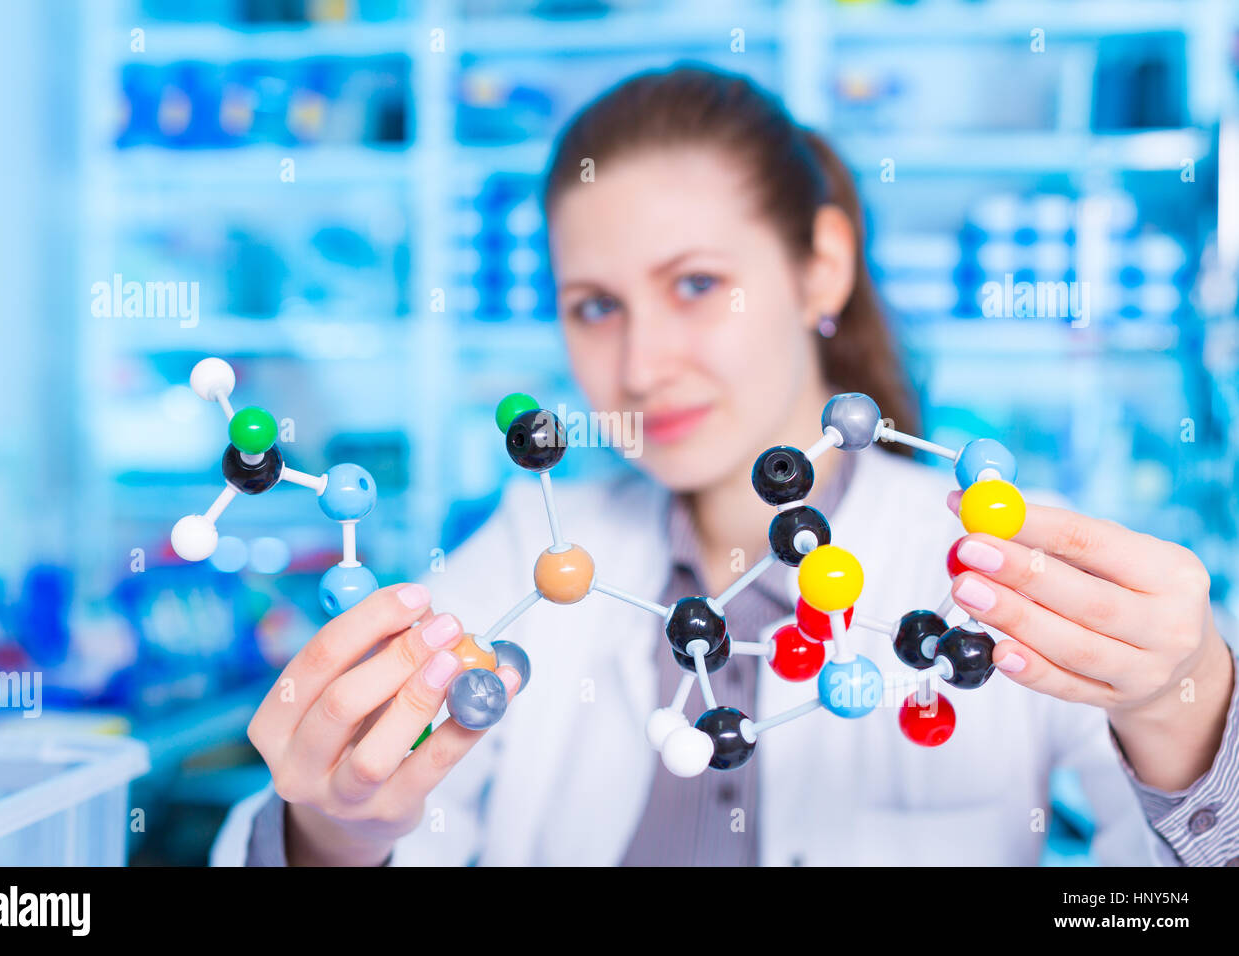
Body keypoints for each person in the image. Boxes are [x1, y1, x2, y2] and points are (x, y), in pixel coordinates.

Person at [213, 64, 1239, 867]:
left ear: (819, 266)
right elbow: (381, 814)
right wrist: (335, 835)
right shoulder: (535, 548)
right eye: (595, 306)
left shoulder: (987, 552)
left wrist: (1182, 709)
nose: (643, 364)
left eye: (696, 283)